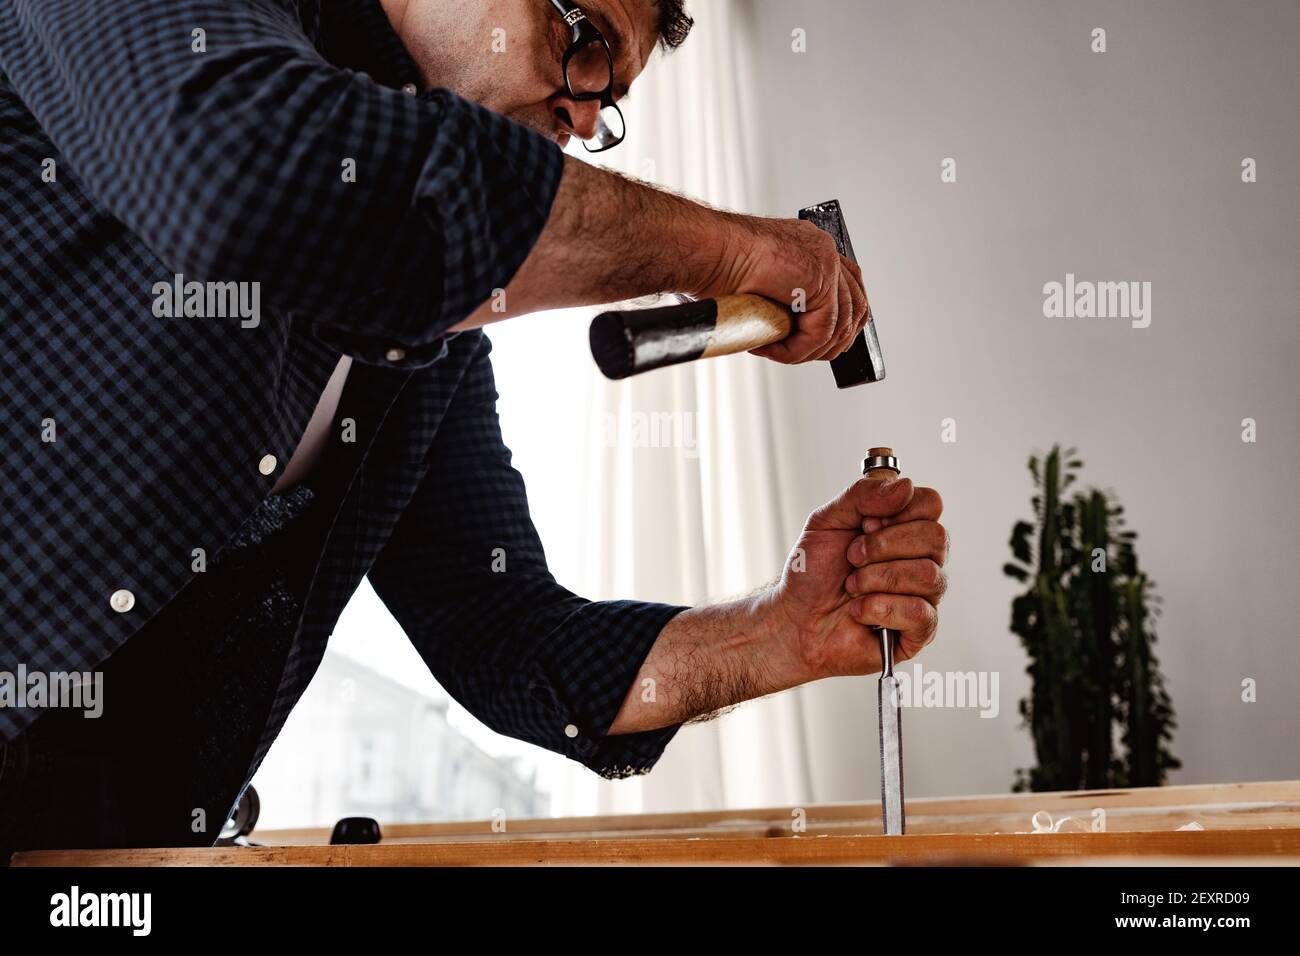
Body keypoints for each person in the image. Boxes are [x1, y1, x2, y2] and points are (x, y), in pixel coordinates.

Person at [0, 0, 947, 860]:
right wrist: (731, 248)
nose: (582, 119)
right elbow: (251, 174)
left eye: (607, 100)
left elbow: (510, 638)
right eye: (584, 46)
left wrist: (779, 633)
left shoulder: (428, 345)